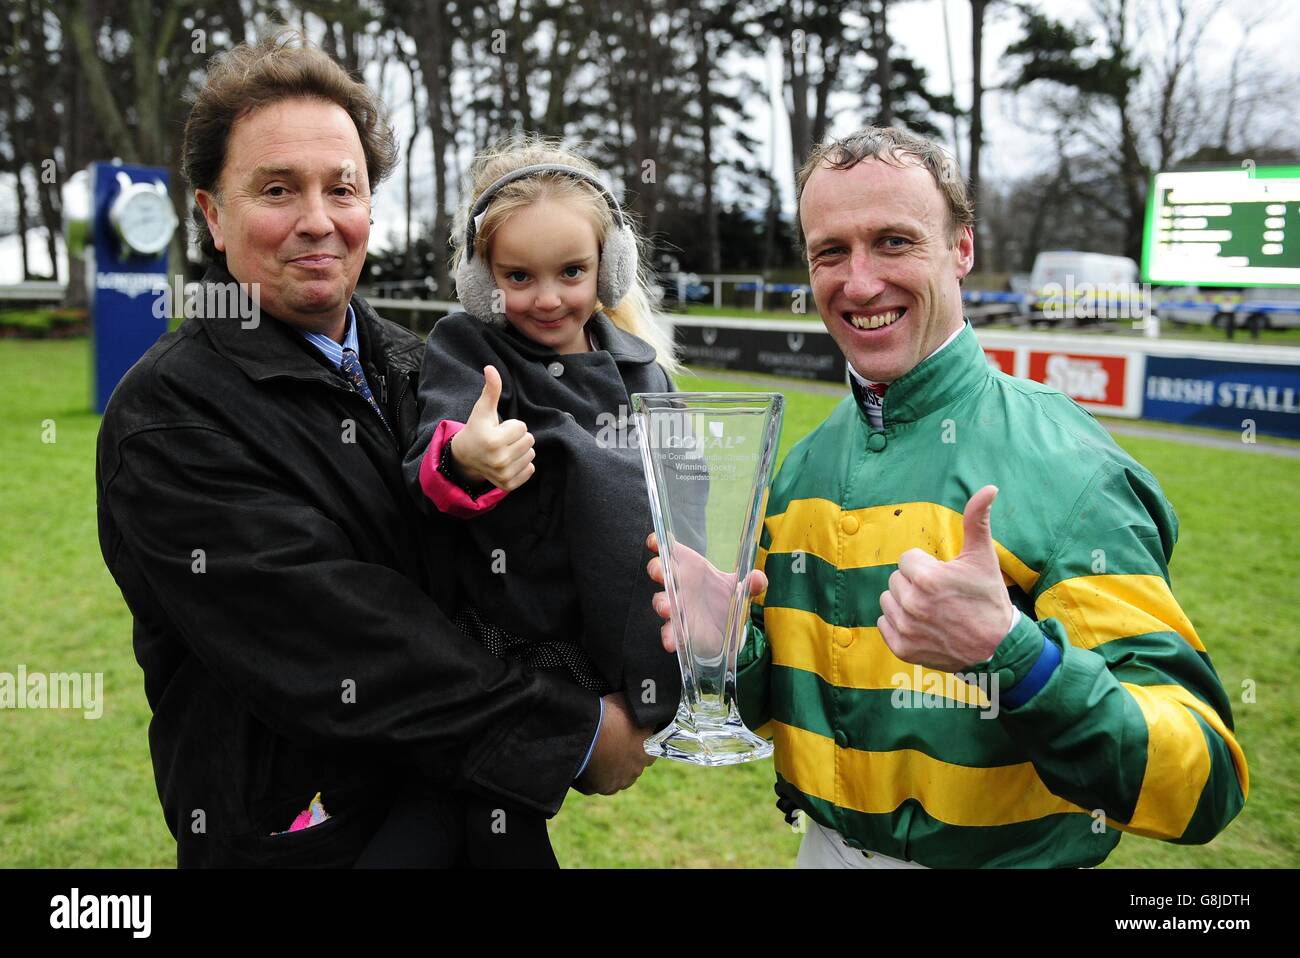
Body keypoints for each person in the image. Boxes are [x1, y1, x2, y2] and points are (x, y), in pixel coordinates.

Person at [95, 36, 650, 869]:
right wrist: (570, 733)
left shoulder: (427, 365)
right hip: (315, 841)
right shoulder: (169, 417)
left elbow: (532, 551)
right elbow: (335, 643)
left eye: (341, 188)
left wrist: (669, 611)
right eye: (277, 189)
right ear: (212, 214)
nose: (318, 220)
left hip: (485, 824)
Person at [649, 126, 1248, 868]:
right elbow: (784, 714)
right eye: (830, 252)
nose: (859, 283)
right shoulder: (802, 467)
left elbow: (1203, 783)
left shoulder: (1070, 466)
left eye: (895, 242)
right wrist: (726, 648)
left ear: (962, 248)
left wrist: (1016, 660)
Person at [400, 138, 689, 863]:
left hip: (628, 644)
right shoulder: (468, 347)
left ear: (610, 268)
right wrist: (468, 454)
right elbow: (437, 448)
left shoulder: (640, 367)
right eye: (517, 276)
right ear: (480, 280)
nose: (548, 297)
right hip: (517, 660)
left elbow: (686, 498)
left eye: (572, 271)